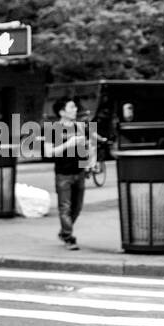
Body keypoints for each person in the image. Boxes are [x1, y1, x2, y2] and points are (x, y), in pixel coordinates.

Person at [44, 97, 93, 251]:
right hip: (63, 174)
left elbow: (87, 147)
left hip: (79, 172)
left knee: (77, 208)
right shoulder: (52, 129)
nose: (75, 110)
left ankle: (64, 232)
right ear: (62, 112)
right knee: (65, 207)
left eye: (75, 107)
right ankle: (68, 236)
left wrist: (89, 166)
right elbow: (49, 152)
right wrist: (67, 144)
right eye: (71, 107)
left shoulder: (81, 127)